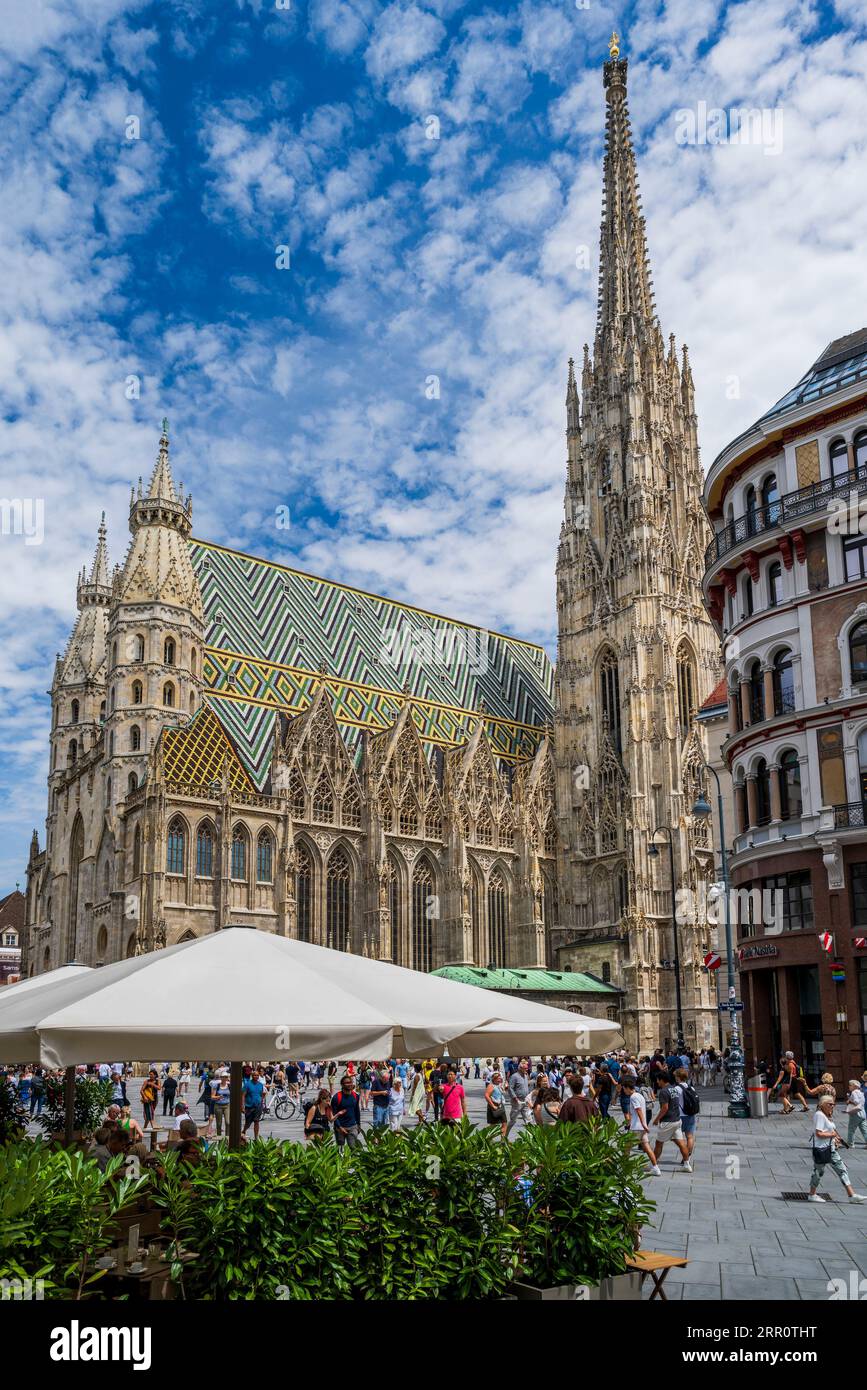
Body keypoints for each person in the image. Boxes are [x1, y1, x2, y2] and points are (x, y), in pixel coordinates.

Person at [808, 1093, 866, 1203]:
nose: (833, 1106)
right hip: (821, 1149)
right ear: (823, 1104)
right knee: (818, 1172)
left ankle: (851, 1195)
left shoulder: (827, 1115)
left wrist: (837, 1138)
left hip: (831, 1149)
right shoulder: (819, 1115)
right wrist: (832, 1135)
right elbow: (819, 1133)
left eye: (833, 1104)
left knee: (842, 1169)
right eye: (830, 1104)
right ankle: (812, 1194)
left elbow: (831, 1130)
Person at [621, 1076, 662, 1175]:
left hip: (636, 1127)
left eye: (624, 1089)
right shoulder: (640, 1095)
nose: (624, 1091)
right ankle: (656, 1168)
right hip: (641, 1128)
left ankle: (624, 1169)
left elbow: (638, 1110)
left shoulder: (633, 1097)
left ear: (627, 1088)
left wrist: (643, 1124)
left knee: (626, 1148)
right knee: (647, 1148)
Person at [653, 1070, 692, 1172]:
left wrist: (656, 1119)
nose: (657, 1082)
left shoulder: (663, 1091)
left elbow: (664, 1108)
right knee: (681, 1143)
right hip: (677, 1120)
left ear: (661, 1080)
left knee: (659, 1143)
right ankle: (687, 1164)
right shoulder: (673, 1089)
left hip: (667, 1121)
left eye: (657, 1080)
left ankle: (653, 1165)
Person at [673, 1066, 700, 1162]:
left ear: (678, 1077)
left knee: (676, 1138)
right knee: (690, 1136)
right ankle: (687, 1157)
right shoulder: (691, 1087)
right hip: (690, 1115)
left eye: (676, 1076)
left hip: (679, 1116)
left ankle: (685, 1155)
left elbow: (673, 1102)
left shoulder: (676, 1089)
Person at [331, 1075, 362, 1149]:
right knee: (340, 1149)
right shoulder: (336, 1097)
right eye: (347, 1083)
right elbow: (334, 1114)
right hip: (340, 1127)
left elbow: (357, 1111)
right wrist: (339, 1127)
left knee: (353, 1148)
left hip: (352, 1127)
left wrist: (358, 1125)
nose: (349, 1084)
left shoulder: (356, 1096)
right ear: (342, 1085)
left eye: (350, 1082)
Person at [506, 1058, 531, 1138]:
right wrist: (515, 1099)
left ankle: (531, 1138)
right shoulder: (514, 1076)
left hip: (525, 1101)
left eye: (527, 1068)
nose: (527, 1069)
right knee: (513, 1120)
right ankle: (505, 1136)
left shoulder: (526, 1075)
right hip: (517, 1101)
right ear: (520, 1068)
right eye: (525, 1068)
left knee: (528, 1120)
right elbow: (510, 1088)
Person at [242, 1068, 265, 1139]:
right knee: (248, 1123)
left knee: (256, 1121)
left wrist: (262, 1102)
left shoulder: (260, 1085)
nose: (256, 1077)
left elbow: (261, 1094)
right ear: (252, 1076)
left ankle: (256, 1138)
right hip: (249, 1106)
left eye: (257, 1075)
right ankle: (244, 1131)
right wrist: (242, 1106)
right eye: (254, 1075)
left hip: (258, 1106)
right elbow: (243, 1095)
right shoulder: (247, 1084)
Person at [485, 1070, 508, 1136]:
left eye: (500, 1078)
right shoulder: (491, 1086)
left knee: (504, 1123)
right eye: (498, 1078)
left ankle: (503, 1142)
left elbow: (502, 1094)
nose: (500, 1079)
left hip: (500, 1106)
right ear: (494, 1079)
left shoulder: (499, 1086)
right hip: (494, 1107)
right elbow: (486, 1096)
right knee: (493, 1125)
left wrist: (506, 1088)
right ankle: (485, 1137)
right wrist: (492, 1106)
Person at [845, 1080, 867, 1147]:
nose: (849, 1086)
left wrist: (849, 1102)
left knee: (851, 1129)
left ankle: (850, 1143)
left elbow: (856, 1102)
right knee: (864, 1129)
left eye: (850, 1085)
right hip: (863, 1113)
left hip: (856, 1113)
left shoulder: (854, 1092)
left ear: (854, 1086)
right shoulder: (861, 1092)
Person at [212, 1070, 231, 1137]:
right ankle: (219, 1139)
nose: (224, 1078)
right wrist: (218, 1097)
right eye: (223, 1077)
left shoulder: (229, 1085)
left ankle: (227, 1138)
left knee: (228, 1122)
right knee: (219, 1124)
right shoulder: (216, 1085)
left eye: (226, 1077)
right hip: (218, 1105)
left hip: (227, 1105)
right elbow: (212, 1097)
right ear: (220, 1077)